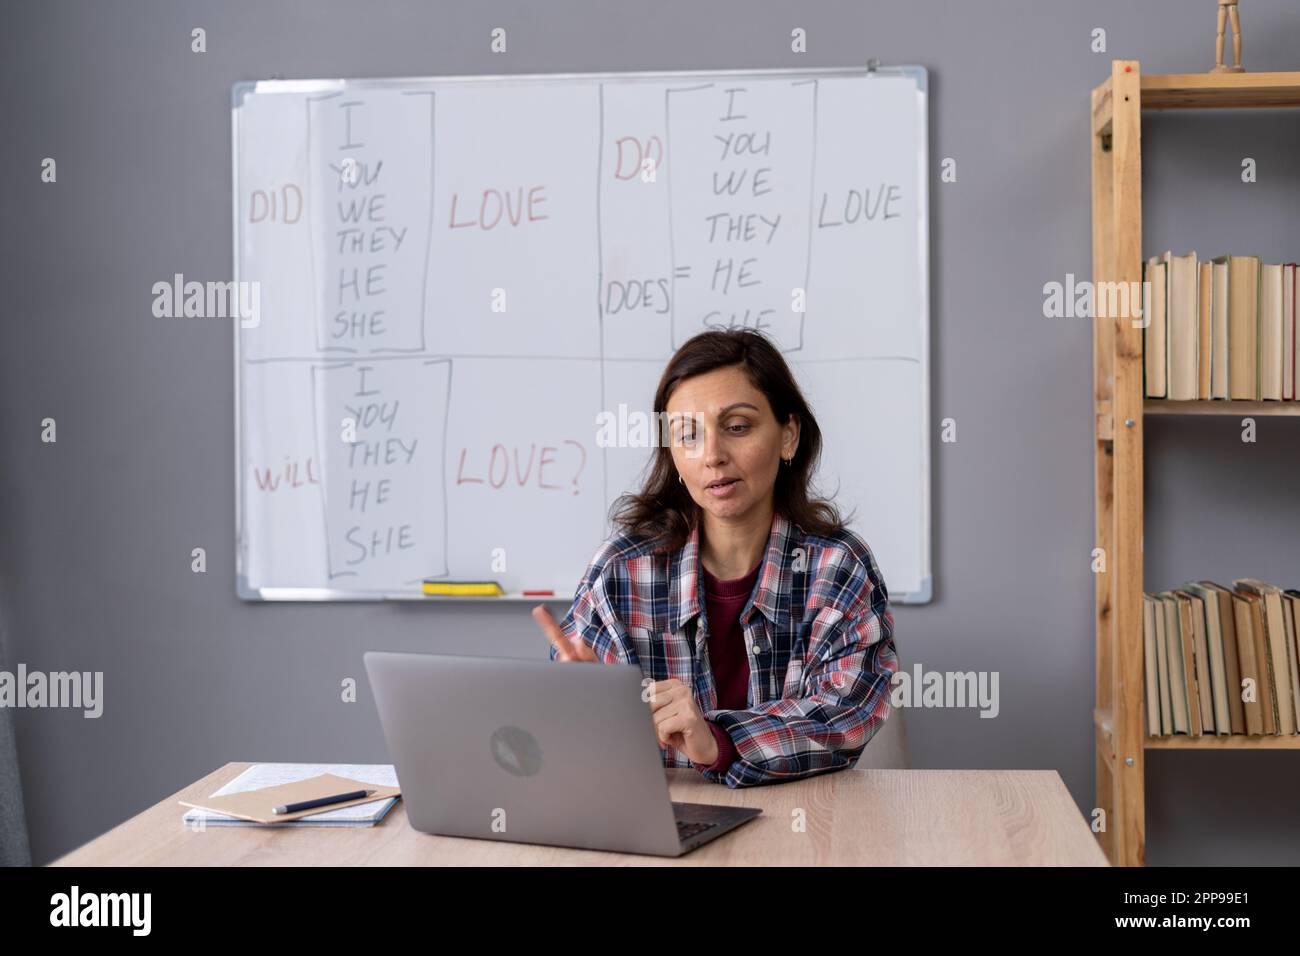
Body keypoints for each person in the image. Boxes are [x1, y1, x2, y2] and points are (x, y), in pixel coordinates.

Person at [532, 329, 897, 787]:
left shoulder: (838, 568)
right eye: (688, 434)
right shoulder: (620, 572)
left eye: (737, 427)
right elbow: (580, 742)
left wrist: (719, 742)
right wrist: (580, 708)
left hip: (804, 824)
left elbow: (846, 714)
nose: (712, 456)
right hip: (665, 829)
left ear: (788, 436)